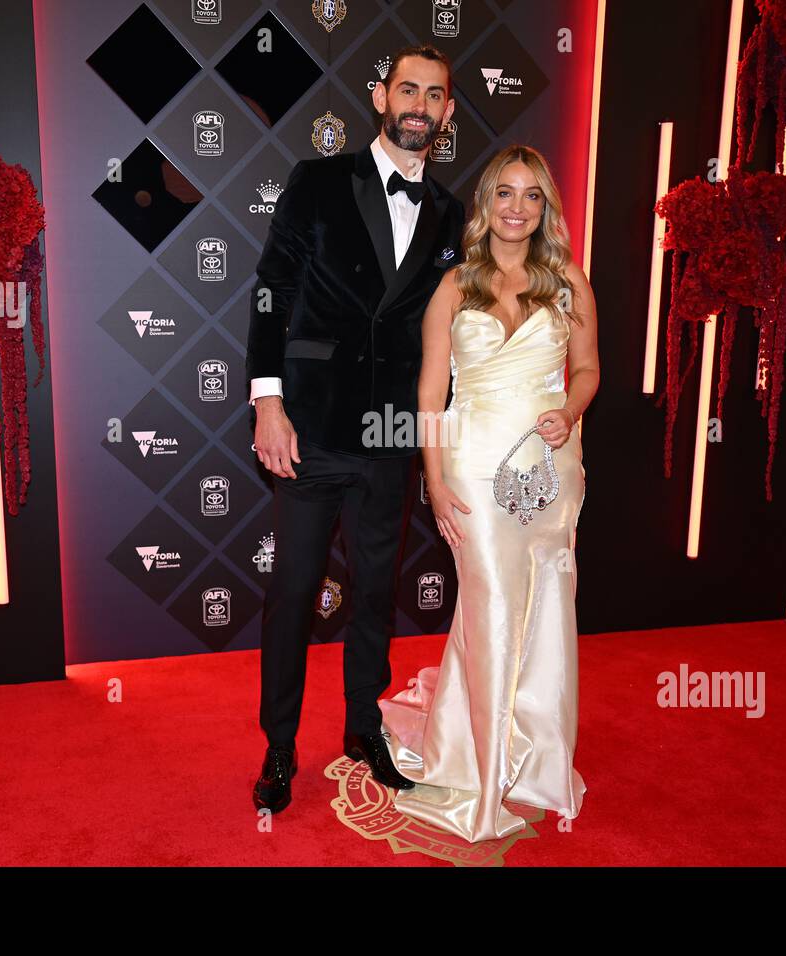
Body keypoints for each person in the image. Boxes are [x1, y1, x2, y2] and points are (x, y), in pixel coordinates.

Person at [244, 44, 466, 814]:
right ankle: (278, 746)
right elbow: (272, 289)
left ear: (446, 112)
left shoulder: (450, 210)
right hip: (310, 425)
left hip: (392, 437)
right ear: (381, 97)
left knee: (375, 592)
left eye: (434, 94)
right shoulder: (320, 180)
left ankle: (363, 727)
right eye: (408, 89)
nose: (419, 104)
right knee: (294, 592)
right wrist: (267, 401)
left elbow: (447, 333)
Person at [379, 145, 599, 842]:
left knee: (546, 608)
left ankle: (537, 759)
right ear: (486, 204)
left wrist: (571, 412)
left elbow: (589, 369)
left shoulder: (568, 281)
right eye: (504, 192)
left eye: (532, 195)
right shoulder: (454, 285)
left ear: (546, 209)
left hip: (550, 468)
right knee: (493, 608)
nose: (516, 207)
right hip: (472, 469)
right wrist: (435, 481)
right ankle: (480, 772)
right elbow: (429, 393)